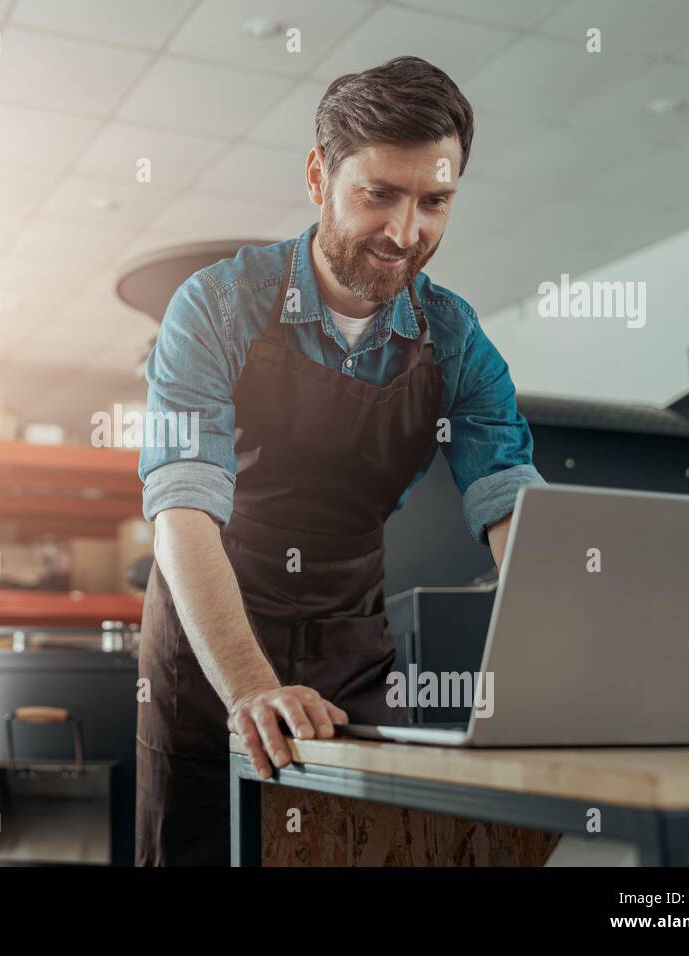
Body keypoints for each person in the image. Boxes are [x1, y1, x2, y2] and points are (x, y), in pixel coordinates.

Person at [135, 56, 545, 866]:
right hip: (211, 630)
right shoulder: (217, 307)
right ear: (320, 173)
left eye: (435, 202)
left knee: (355, 849)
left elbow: (511, 507)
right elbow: (182, 512)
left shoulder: (455, 338)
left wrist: (570, 663)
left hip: (350, 638)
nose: (405, 232)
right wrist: (250, 685)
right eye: (378, 195)